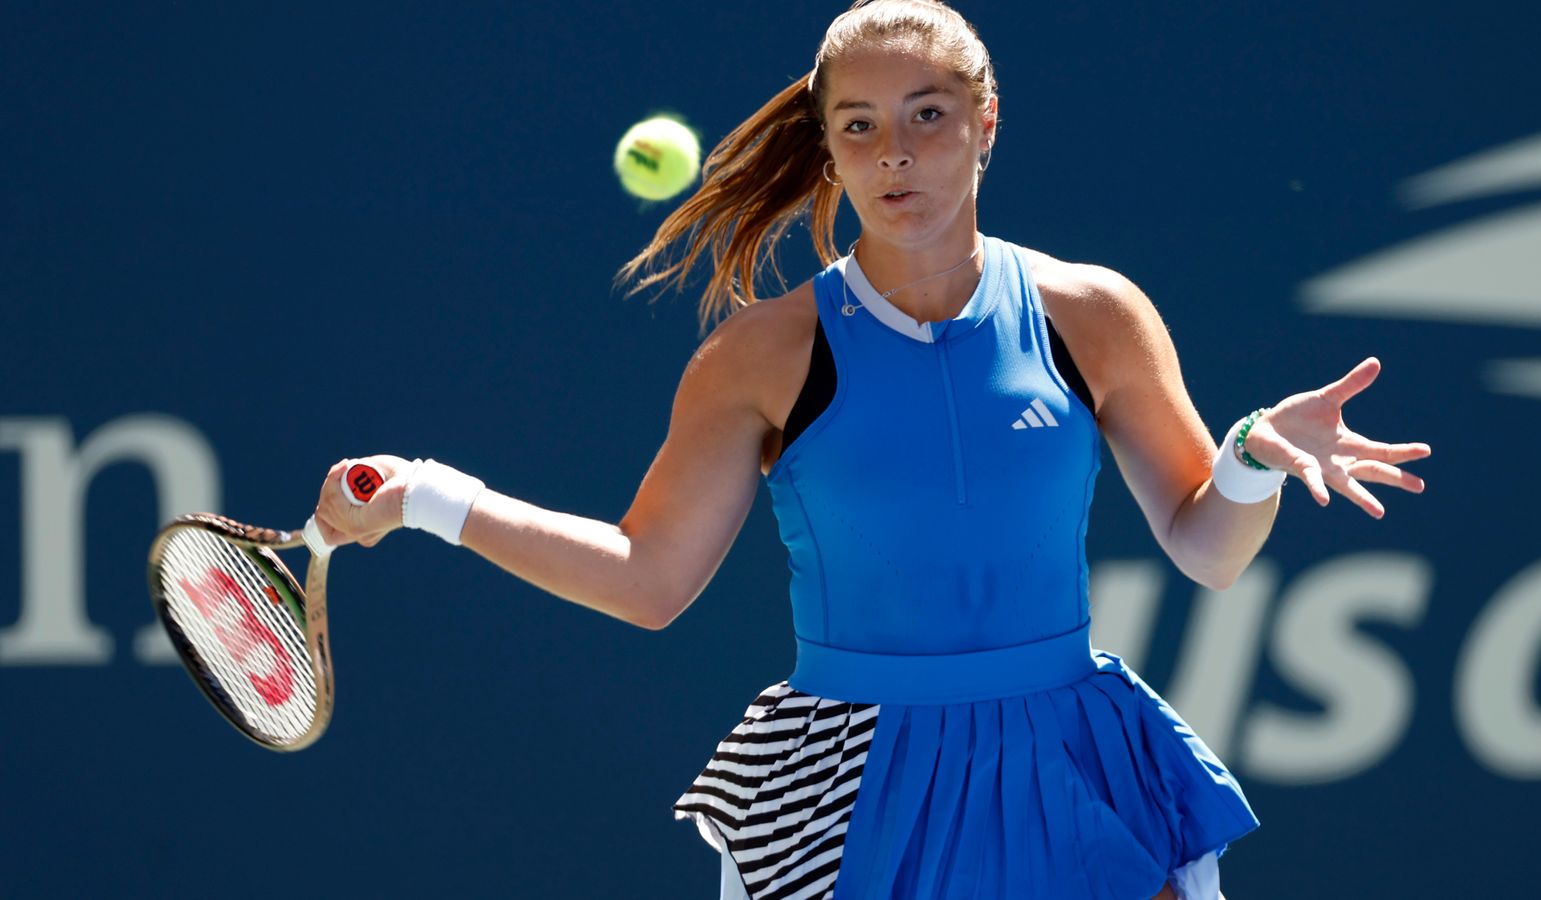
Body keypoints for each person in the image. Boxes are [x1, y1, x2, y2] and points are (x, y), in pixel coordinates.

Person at [311, 1, 1431, 897]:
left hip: (1073, 760)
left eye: (928, 116)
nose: (894, 154)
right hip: (852, 784)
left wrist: (1250, 454)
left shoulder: (1091, 313)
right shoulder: (763, 355)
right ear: (830, 145)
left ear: (986, 122)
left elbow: (1208, 549)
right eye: (859, 125)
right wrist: (430, 497)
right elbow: (646, 579)